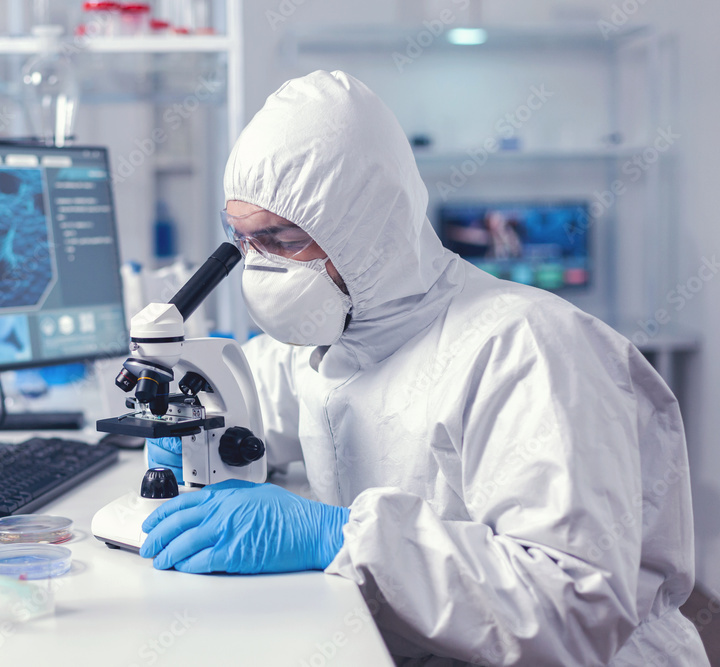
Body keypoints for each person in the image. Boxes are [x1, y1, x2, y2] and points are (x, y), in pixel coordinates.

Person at [139, 70, 707, 665]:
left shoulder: (530, 348)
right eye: (243, 241)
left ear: (361, 229)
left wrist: (339, 538)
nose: (260, 267)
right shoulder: (338, 337)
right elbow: (257, 390)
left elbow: (569, 610)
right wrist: (191, 424)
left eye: (281, 240)